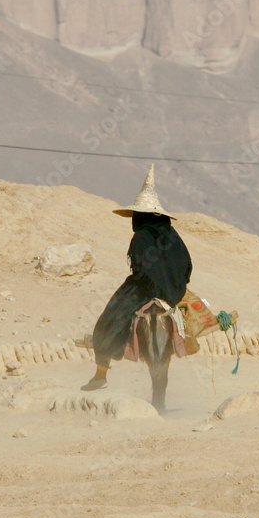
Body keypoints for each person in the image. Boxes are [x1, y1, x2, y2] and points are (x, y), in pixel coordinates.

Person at [81, 164, 192, 391]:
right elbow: (187, 266)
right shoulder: (173, 235)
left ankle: (101, 373)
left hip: (145, 289)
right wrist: (174, 284)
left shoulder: (141, 237)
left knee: (108, 319)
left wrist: (146, 284)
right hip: (174, 290)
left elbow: (140, 271)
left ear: (140, 217)